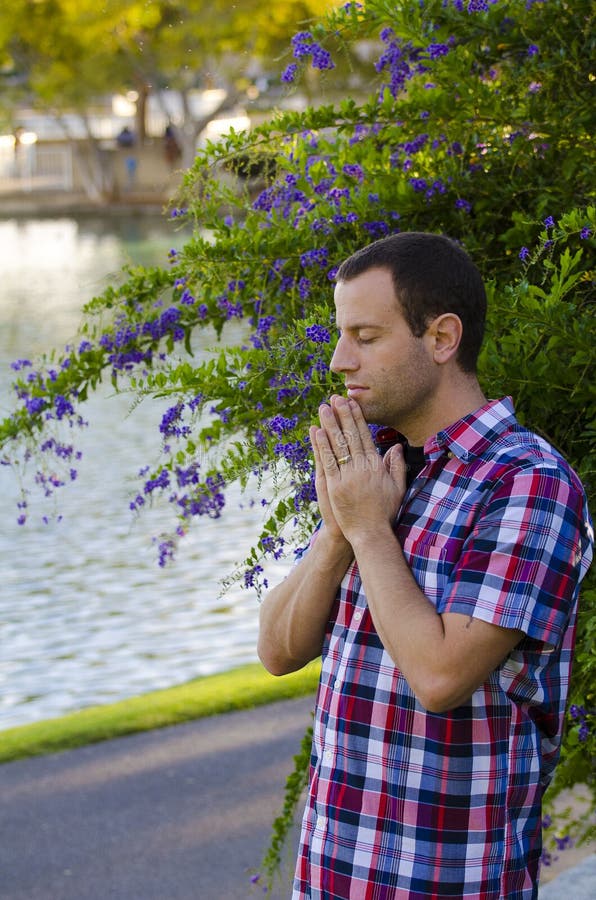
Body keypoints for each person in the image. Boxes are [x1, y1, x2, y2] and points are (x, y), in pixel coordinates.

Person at [258, 232, 593, 899]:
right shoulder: (376, 473)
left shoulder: (528, 484)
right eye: (340, 334)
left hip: (448, 883)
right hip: (331, 880)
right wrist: (335, 536)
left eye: (366, 336)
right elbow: (276, 650)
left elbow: (440, 677)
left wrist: (366, 530)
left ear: (441, 339)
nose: (338, 359)